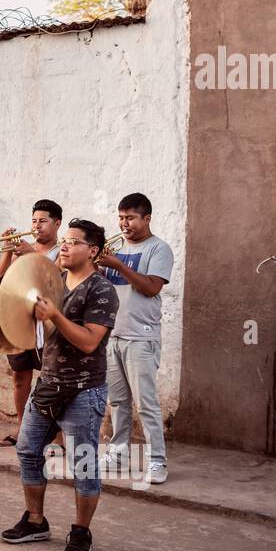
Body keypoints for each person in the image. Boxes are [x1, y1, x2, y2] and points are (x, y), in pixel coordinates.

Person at [2, 219, 118, 551]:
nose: (64, 247)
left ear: (92, 251)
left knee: (83, 464)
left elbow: (88, 342)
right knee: (27, 450)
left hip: (84, 389)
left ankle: (81, 531)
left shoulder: (101, 290)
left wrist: (54, 315)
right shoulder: (54, 280)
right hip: (48, 383)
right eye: (63, 241)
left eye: (73, 242)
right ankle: (35, 520)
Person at [98, 193, 175, 484]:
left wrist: (119, 266)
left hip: (141, 337)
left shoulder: (159, 249)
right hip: (113, 334)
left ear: (147, 218)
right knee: (117, 401)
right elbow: (106, 286)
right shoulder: (114, 248)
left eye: (130, 218)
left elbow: (151, 288)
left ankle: (157, 461)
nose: (124, 223)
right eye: (120, 217)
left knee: (146, 404)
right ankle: (118, 454)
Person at [0, 199, 64, 448]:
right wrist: (9, 252)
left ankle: (56, 435)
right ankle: (24, 426)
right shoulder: (23, 250)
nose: (36, 226)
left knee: (51, 380)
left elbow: (57, 279)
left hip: (49, 326)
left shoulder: (62, 251)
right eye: (33, 221)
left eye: (43, 221)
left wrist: (31, 254)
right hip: (21, 323)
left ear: (57, 224)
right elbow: (1, 279)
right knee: (20, 378)